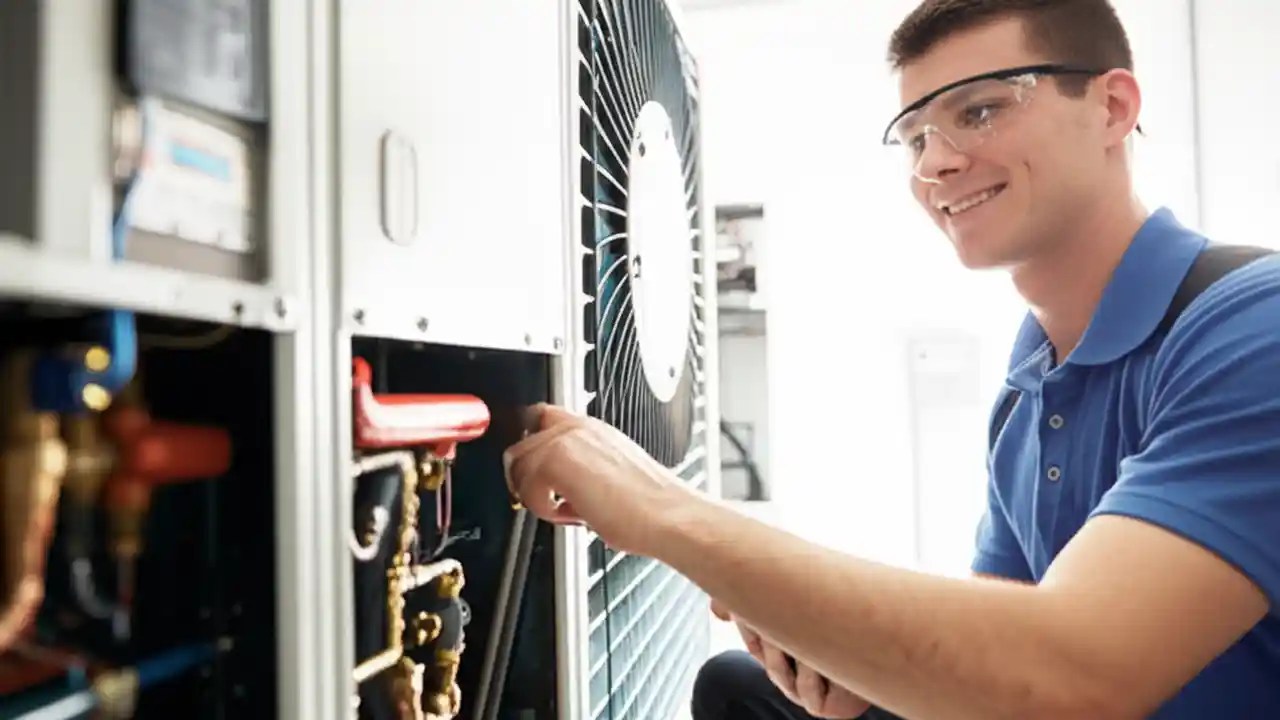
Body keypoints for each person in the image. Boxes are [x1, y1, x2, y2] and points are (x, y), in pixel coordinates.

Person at [503, 0, 1280, 717]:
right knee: (737, 689)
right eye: (915, 136)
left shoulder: (1254, 324)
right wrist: (862, 677)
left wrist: (662, 510)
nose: (932, 166)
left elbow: (1077, 675)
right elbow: (996, 653)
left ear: (1112, 108)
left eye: (979, 111)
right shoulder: (1028, 390)